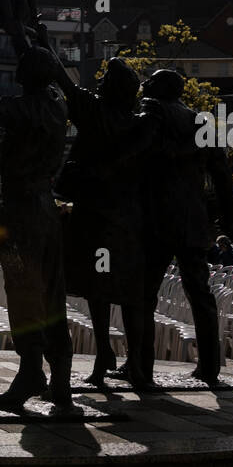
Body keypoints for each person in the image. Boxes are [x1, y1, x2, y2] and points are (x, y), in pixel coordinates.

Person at [0, 24, 72, 411]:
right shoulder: (58, 105)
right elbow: (42, 69)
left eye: (21, 65)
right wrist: (27, 40)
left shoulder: (23, 109)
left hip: (22, 212)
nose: (15, 70)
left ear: (28, 75)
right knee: (53, 296)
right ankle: (61, 382)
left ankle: (29, 373)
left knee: (24, 294)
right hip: (48, 211)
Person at [49, 49, 157, 390]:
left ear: (115, 89)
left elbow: (65, 81)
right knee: (129, 294)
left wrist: (39, 40)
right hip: (130, 222)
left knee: (101, 291)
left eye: (106, 80)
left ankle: (105, 358)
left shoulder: (97, 115)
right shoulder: (142, 125)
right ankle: (131, 362)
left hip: (99, 219)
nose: (99, 83)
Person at [137, 69, 233, 388]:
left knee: (143, 294)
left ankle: (141, 366)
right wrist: (228, 214)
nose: (143, 85)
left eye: (148, 82)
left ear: (159, 88)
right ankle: (209, 367)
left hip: (158, 217)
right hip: (194, 219)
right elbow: (222, 172)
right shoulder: (201, 122)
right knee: (201, 294)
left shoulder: (151, 108)